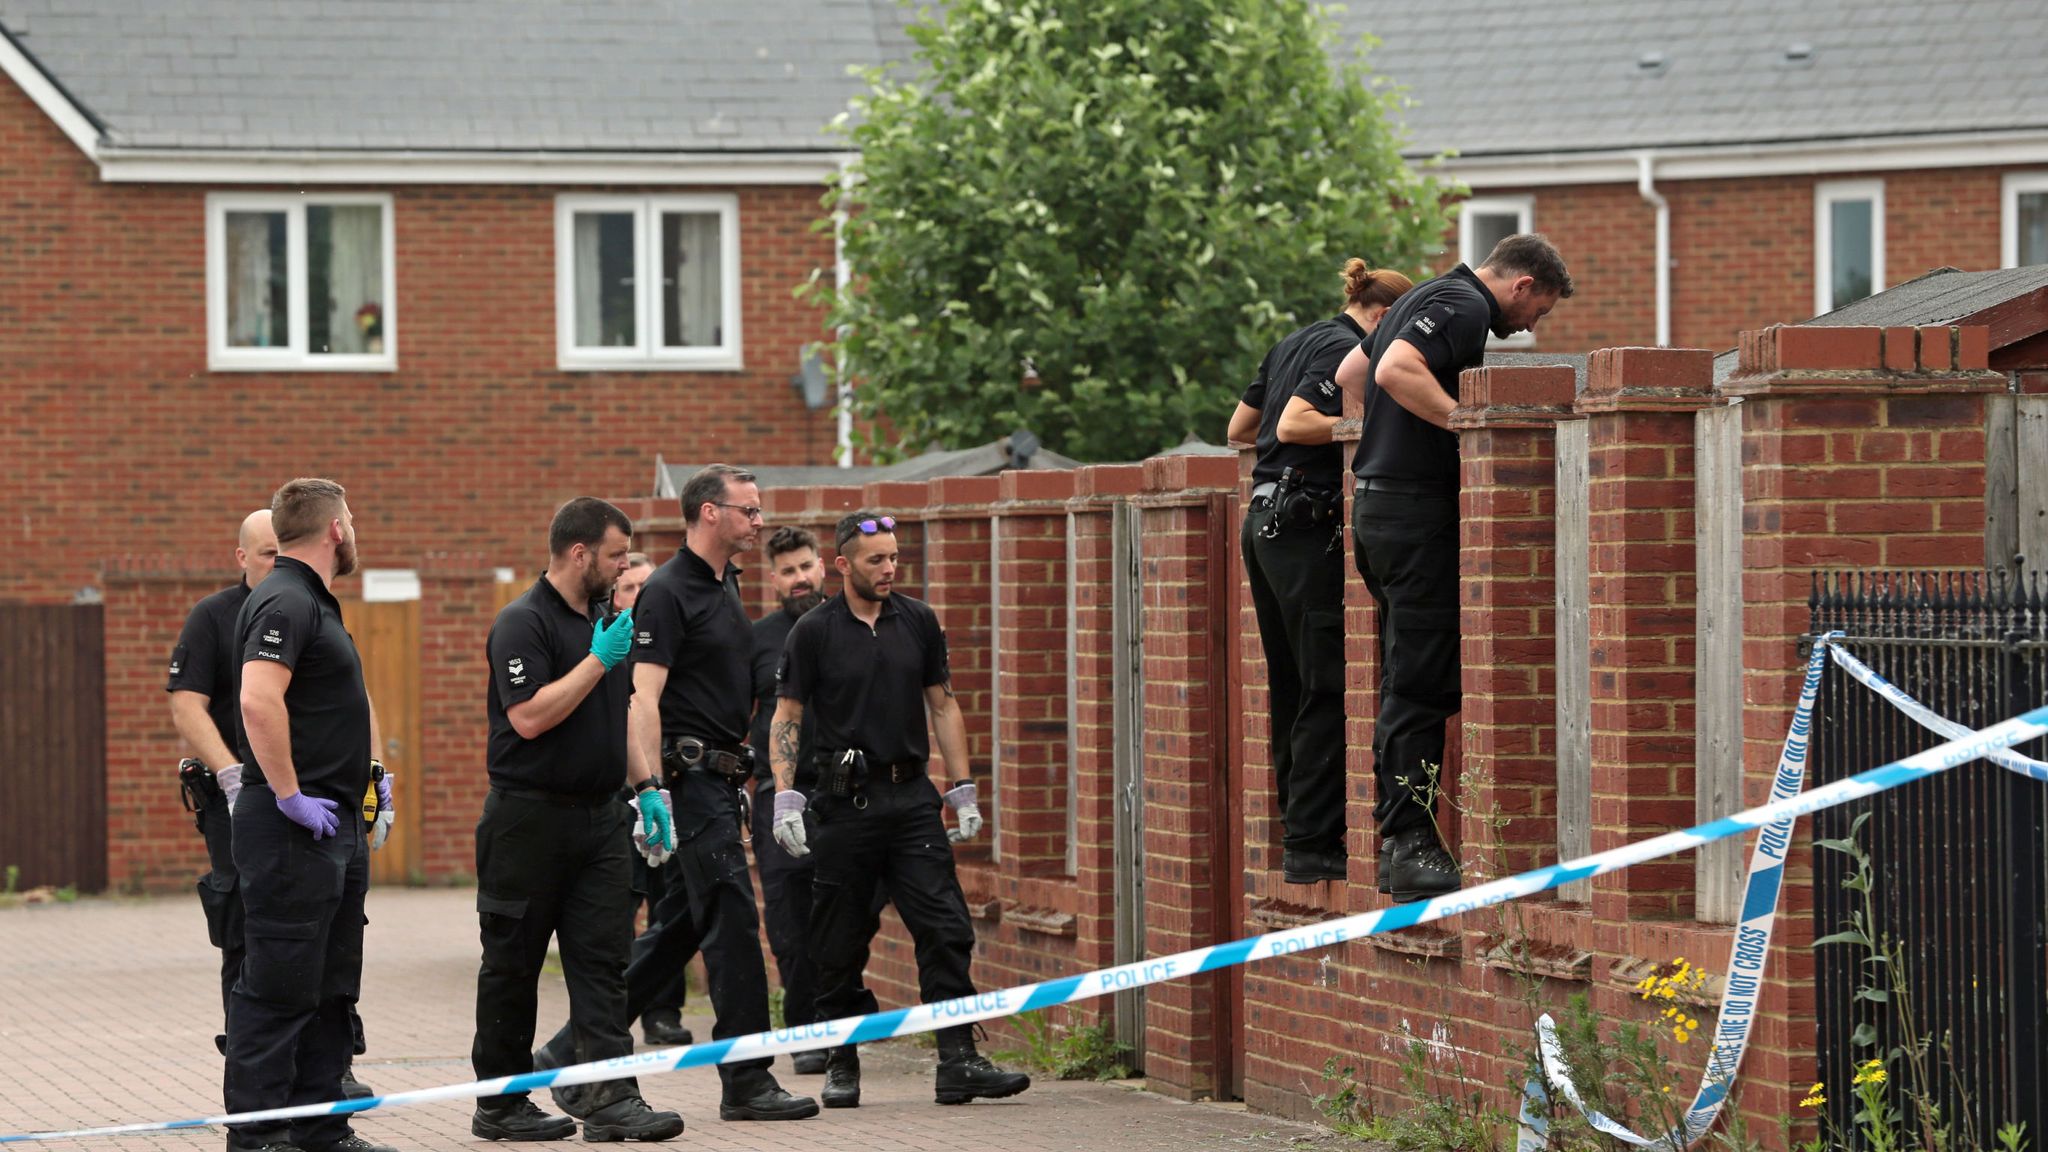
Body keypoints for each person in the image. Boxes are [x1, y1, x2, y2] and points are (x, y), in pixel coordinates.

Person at [536, 465, 816, 1123]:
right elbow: (644, 697)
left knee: (681, 929)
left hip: (720, 781)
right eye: (748, 510)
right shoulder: (666, 592)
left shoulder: (726, 586)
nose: (759, 520)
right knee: (734, 927)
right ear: (709, 513)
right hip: (687, 783)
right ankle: (746, 1080)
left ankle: (567, 1053)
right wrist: (652, 791)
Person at [1331, 233, 1573, 903]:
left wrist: (1390, 438)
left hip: (1376, 506)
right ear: (1522, 285)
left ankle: (1394, 846)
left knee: (1406, 670)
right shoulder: (1464, 305)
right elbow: (1390, 372)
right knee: (1422, 680)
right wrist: (1465, 422)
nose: (1530, 328)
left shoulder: (1419, 296)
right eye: (1540, 312)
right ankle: (1410, 847)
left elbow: (1351, 375)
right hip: (1412, 513)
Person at [768, 511, 1031, 1109]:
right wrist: (787, 794)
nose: (889, 569)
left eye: (894, 558)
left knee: (945, 927)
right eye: (875, 560)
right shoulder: (813, 631)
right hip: (844, 803)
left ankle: (958, 1058)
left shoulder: (918, 619)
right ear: (842, 565)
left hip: (912, 798)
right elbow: (788, 716)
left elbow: (942, 705)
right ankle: (841, 1058)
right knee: (838, 940)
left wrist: (962, 785)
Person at [469, 499, 683, 1143]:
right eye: (617, 554)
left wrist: (648, 788)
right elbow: (529, 718)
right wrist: (596, 661)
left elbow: (617, 715)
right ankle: (501, 1104)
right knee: (513, 964)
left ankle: (610, 1096)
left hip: (599, 821)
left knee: (602, 963)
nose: (624, 567)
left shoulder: (605, 619)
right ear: (579, 552)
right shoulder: (522, 623)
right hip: (527, 822)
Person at [171, 511, 382, 1097]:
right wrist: (252, 780)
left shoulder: (318, 604)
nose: (272, 563)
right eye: (264, 553)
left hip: (328, 813)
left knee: (332, 971)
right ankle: (264, 1119)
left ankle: (322, 1109)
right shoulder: (265, 608)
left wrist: (371, 774)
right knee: (269, 964)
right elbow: (231, 704)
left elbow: (349, 702)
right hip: (270, 808)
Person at [1225, 259, 1413, 885]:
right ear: (1385, 317)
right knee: (1323, 684)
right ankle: (1312, 843)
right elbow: (1292, 423)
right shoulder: (1344, 346)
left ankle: (1301, 837)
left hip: (1263, 519)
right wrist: (1367, 427)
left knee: (1292, 685)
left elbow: (1240, 429)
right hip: (1302, 526)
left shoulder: (1296, 339)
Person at [225, 478, 389, 1152]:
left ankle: (323, 1130)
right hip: (296, 829)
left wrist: (373, 787)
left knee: (329, 990)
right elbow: (259, 700)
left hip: (334, 826)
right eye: (350, 518)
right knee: (280, 990)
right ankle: (259, 1140)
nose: (353, 528)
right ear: (334, 531)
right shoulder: (286, 599)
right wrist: (289, 793)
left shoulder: (312, 601)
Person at [746, 527, 828, 1075]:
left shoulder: (848, 628)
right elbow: (735, 718)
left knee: (844, 916)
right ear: (772, 578)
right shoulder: (755, 641)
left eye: (807, 566)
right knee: (790, 925)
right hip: (780, 796)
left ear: (825, 566)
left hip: (846, 795)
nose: (800, 578)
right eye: (789, 570)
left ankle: (840, 1023)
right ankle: (805, 1032)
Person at [613, 552, 694, 1050]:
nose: (640, 595)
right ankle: (616, 1008)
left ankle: (662, 1012)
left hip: (666, 788)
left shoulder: (668, 646)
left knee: (669, 901)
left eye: (648, 585)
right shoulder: (605, 647)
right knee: (618, 909)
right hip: (617, 796)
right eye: (630, 587)